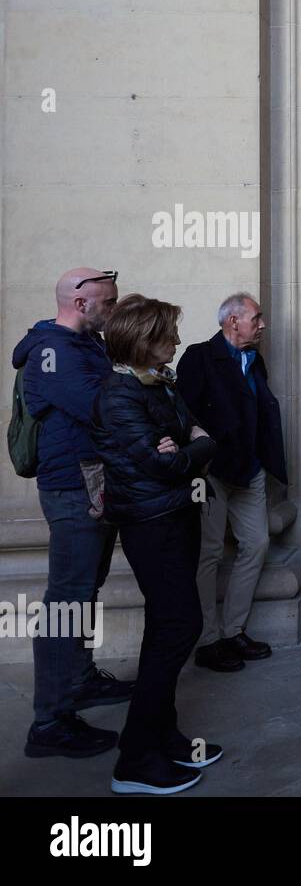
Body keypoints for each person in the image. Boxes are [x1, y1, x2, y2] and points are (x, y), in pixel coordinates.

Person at [91, 294, 221, 794]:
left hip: (175, 515)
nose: (176, 341)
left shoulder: (155, 383)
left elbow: (187, 438)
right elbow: (166, 460)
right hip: (152, 523)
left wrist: (187, 443)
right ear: (143, 340)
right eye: (167, 333)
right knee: (179, 626)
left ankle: (164, 738)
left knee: (167, 628)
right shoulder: (120, 395)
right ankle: (135, 760)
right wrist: (193, 445)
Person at [13, 268, 132, 760]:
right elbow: (100, 408)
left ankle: (79, 681)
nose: (116, 311)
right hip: (72, 487)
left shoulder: (87, 345)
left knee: (84, 591)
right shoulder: (53, 351)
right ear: (81, 305)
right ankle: (50, 722)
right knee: (66, 599)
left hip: (93, 483)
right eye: (109, 303)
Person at [177, 294, 287, 673]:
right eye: (256, 318)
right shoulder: (198, 357)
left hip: (249, 469)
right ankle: (208, 641)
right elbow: (182, 412)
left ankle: (233, 631)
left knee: (256, 544)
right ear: (232, 321)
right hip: (210, 472)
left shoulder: (255, 360)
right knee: (207, 553)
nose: (262, 324)